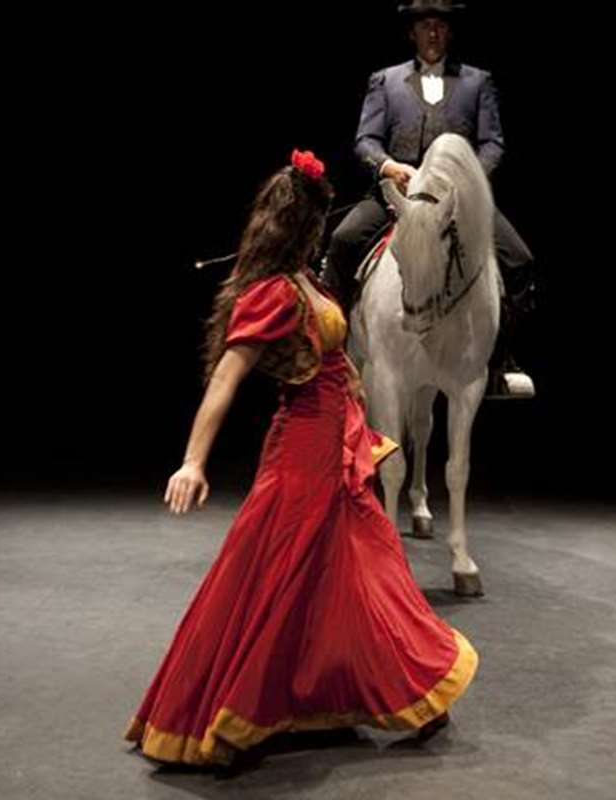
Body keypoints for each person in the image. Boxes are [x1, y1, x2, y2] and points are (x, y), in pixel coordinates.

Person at [123, 150, 478, 769]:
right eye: (316, 222)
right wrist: (192, 461)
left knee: (362, 572)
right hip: (303, 454)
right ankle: (235, 708)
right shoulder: (272, 296)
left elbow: (337, 360)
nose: (321, 232)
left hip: (337, 444)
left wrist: (359, 398)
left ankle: (401, 689)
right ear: (303, 225)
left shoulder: (302, 285)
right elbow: (226, 380)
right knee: (282, 579)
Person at [322, 0, 536, 395]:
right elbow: (365, 140)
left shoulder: (478, 81)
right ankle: (331, 353)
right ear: (412, 33)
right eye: (425, 26)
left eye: (440, 25)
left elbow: (493, 145)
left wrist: (465, 180)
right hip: (398, 191)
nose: (433, 33)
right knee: (342, 240)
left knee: (519, 260)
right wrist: (387, 166)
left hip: (458, 197)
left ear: (449, 33)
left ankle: (499, 362)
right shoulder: (384, 81)